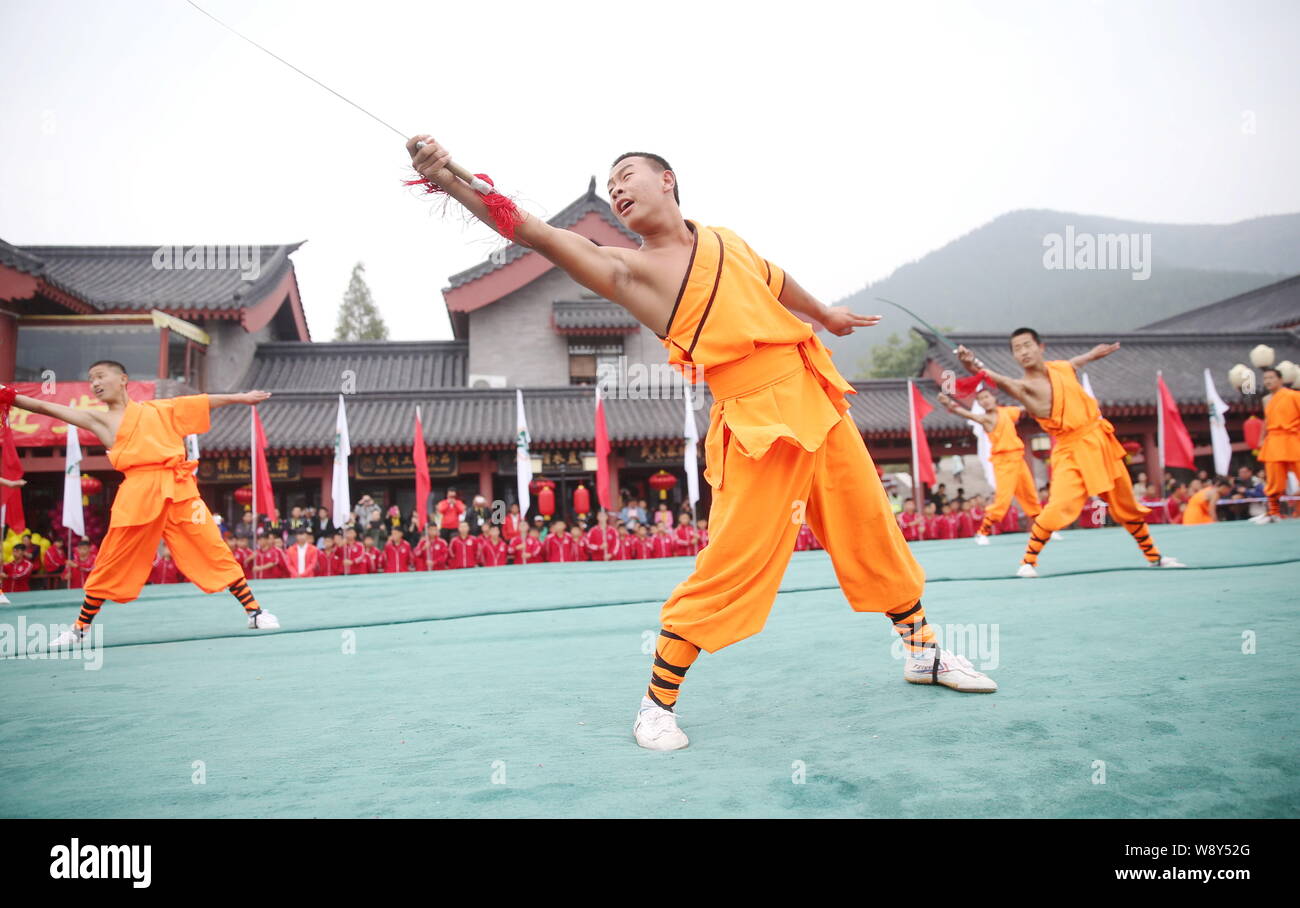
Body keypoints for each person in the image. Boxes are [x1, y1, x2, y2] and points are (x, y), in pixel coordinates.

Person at [407, 139, 998, 751]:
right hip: (755, 420)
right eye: (611, 186)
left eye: (626, 176)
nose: (616, 190)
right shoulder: (629, 269)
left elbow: (776, 280)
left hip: (816, 394)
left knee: (869, 525)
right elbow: (535, 233)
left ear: (667, 180)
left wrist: (826, 312)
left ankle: (923, 653)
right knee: (735, 559)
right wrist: (451, 178)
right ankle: (655, 705)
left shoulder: (724, 241)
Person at [4, 363, 279, 645]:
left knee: (212, 546)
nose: (95, 384)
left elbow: (203, 401)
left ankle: (254, 612)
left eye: (100, 376)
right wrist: (8, 395)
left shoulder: (159, 409)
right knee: (112, 558)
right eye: (90, 380)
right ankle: (80, 628)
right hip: (136, 492)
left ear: (123, 379)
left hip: (178, 489)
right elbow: (46, 409)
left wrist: (240, 398)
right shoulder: (98, 419)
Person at [956, 330, 1183, 575]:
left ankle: (1154, 556)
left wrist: (1094, 354)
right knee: (1059, 505)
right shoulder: (1024, 388)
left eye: (1027, 345)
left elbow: (1075, 362)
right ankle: (1028, 561)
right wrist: (972, 364)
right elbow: (995, 378)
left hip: (1100, 443)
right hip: (1070, 450)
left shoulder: (1060, 369)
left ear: (1040, 347)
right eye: (1017, 349)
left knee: (1125, 503)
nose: (1023, 352)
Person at [938, 386, 1043, 546]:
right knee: (1002, 500)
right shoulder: (985, 419)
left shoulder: (1007, 412)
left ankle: (1045, 529)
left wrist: (1037, 394)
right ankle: (983, 532)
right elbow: (967, 414)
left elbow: (1026, 407)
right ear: (980, 403)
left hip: (1018, 459)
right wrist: (949, 404)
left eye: (987, 397)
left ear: (993, 398)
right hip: (1003, 462)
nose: (985, 401)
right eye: (981, 399)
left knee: (1030, 496)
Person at [1253, 367, 1300, 524]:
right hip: (1273, 441)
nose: (1268, 381)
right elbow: (1267, 421)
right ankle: (1274, 512)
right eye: (1265, 378)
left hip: (1293, 439)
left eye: (1271, 377)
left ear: (1280, 379)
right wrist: (1261, 438)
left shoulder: (1293, 395)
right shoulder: (1267, 399)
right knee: (1274, 480)